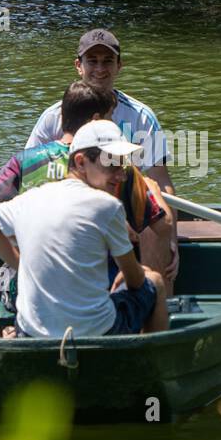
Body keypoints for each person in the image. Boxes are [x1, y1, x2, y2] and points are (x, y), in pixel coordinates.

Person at [0, 81, 175, 311]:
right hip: (96, 294)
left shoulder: (23, 161)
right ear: (95, 122)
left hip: (28, 294)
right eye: (109, 118)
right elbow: (163, 225)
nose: (112, 124)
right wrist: (151, 188)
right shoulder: (117, 169)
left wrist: (21, 265)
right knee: (152, 283)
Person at [0, 120, 169, 338]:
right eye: (112, 165)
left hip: (31, 332)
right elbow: (135, 281)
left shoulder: (28, 199)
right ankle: (151, 365)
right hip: (97, 332)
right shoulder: (108, 206)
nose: (122, 175)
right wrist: (141, 272)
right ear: (81, 162)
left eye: (123, 166)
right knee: (155, 282)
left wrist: (19, 263)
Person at [25, 27, 178, 281]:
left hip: (128, 207)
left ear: (119, 66)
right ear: (78, 65)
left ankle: (161, 307)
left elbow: (161, 181)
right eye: (92, 61)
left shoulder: (141, 116)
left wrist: (172, 241)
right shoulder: (52, 117)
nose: (100, 69)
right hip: (66, 209)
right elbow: (31, 173)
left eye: (108, 61)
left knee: (154, 221)